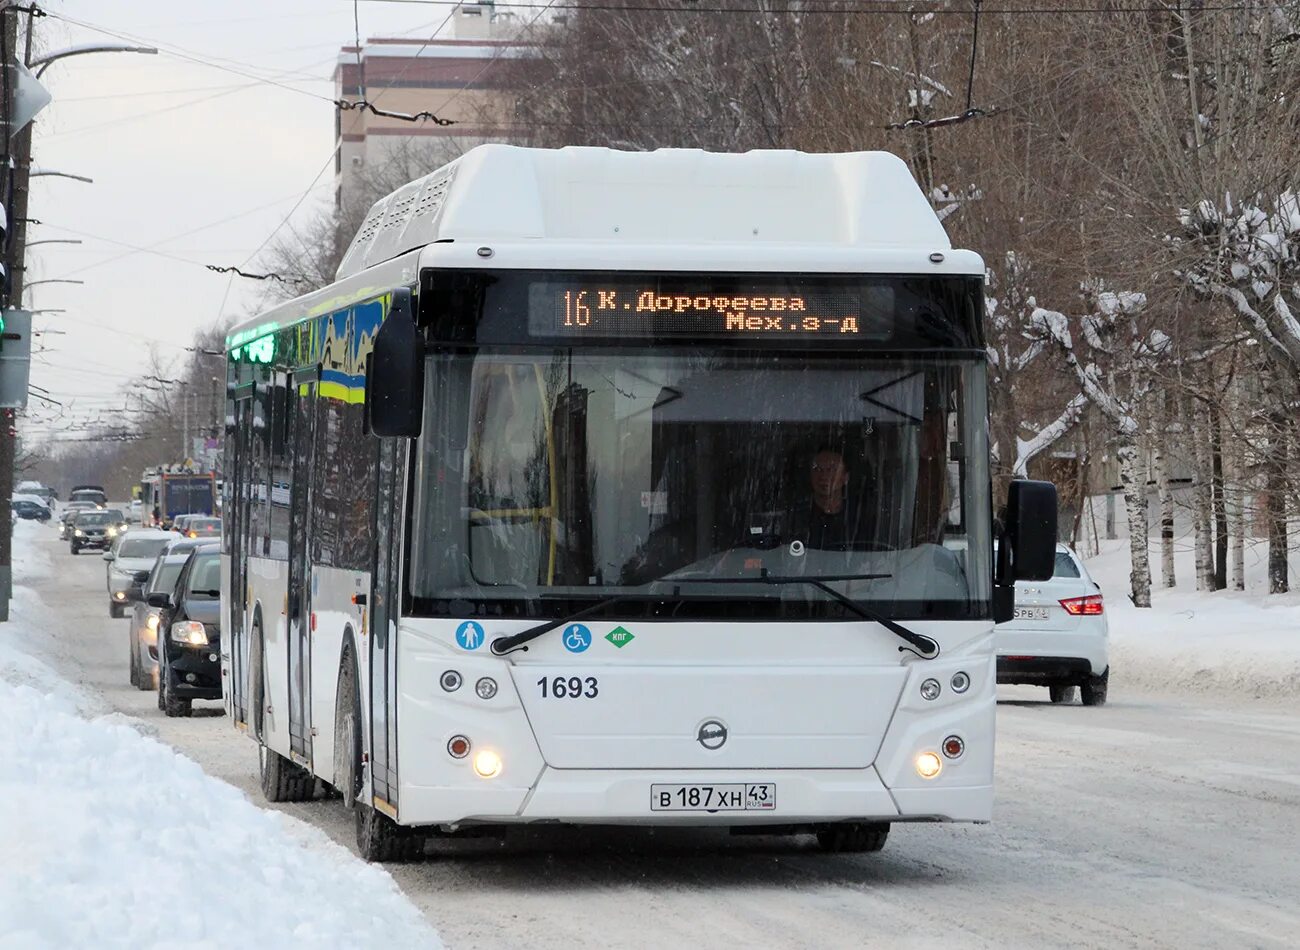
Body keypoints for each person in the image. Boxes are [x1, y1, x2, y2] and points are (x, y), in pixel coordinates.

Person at [789, 447, 871, 550]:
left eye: (831, 470)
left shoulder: (859, 515)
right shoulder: (795, 516)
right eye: (817, 469)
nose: (823, 476)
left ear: (846, 477)